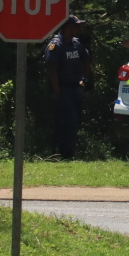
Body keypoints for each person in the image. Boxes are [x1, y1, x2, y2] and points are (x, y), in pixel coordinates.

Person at [44, 17, 92, 159]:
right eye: (76, 26)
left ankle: (68, 152)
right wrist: (57, 91)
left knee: (75, 121)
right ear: (67, 27)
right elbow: (51, 70)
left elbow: (86, 62)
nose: (79, 29)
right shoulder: (56, 45)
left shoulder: (77, 44)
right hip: (63, 89)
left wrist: (85, 80)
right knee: (67, 122)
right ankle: (63, 154)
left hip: (76, 89)